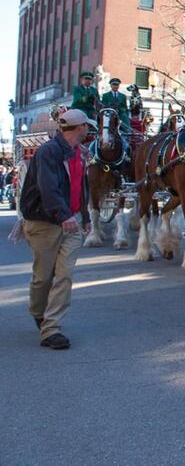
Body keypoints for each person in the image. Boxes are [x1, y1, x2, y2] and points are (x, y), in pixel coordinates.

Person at [19, 109, 94, 350]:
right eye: (87, 126)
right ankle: (38, 312)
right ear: (79, 128)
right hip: (44, 223)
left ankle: (51, 328)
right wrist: (63, 216)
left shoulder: (79, 153)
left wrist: (84, 215)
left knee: (64, 275)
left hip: (71, 221)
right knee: (43, 277)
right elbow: (48, 188)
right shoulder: (49, 151)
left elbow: (80, 186)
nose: (89, 130)